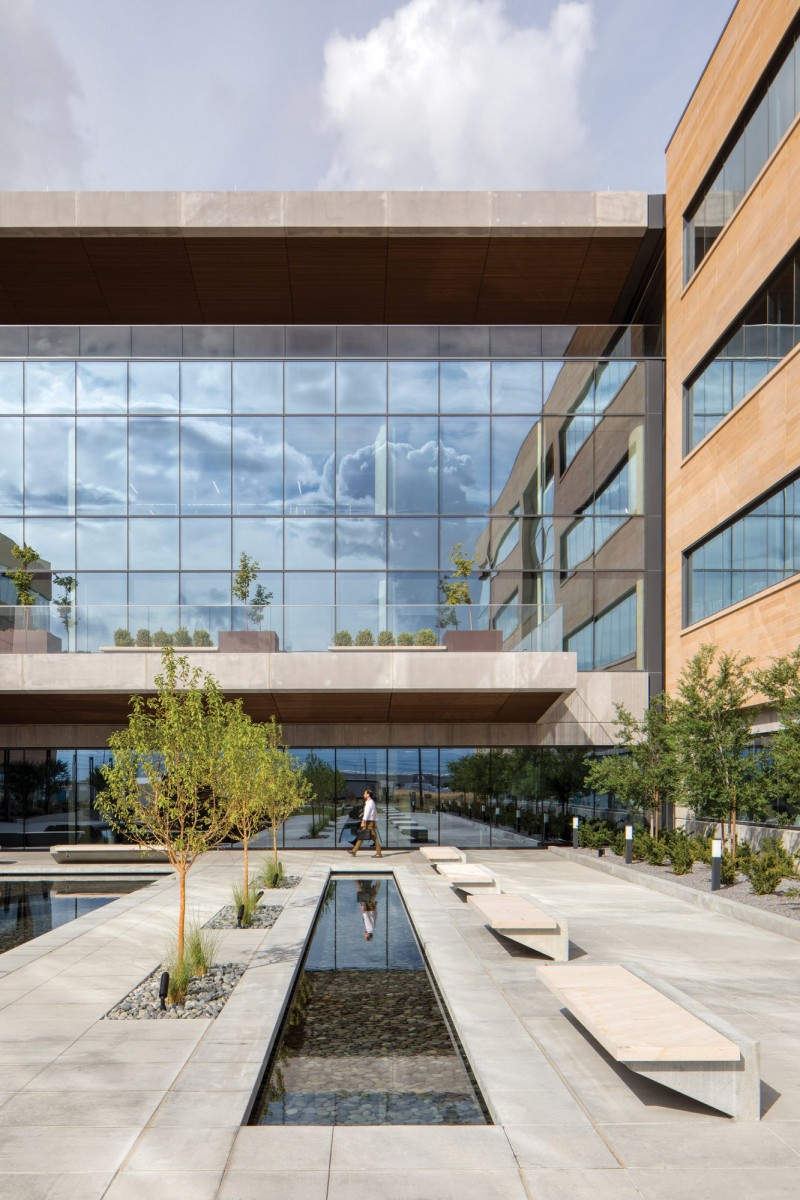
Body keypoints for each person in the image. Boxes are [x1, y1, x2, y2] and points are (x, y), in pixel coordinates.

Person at [348, 787, 383, 857]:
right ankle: (354, 851)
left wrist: (363, 822)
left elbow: (367, 813)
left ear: (368, 795)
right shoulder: (371, 802)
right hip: (369, 822)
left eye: (364, 794)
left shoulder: (369, 803)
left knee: (374, 837)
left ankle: (379, 853)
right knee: (362, 835)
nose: (363, 795)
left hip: (369, 822)